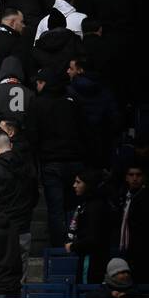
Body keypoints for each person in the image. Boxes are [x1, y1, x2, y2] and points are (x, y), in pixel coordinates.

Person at [32, 66, 87, 252]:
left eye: (39, 83)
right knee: (73, 206)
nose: (37, 86)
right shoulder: (72, 101)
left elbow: (33, 135)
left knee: (55, 209)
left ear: (45, 84)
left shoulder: (38, 103)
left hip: (51, 162)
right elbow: (84, 129)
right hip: (75, 161)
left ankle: (58, 248)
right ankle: (73, 243)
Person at [66, 170, 112, 285]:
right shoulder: (87, 203)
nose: (74, 185)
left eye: (78, 182)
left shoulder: (95, 206)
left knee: (86, 290)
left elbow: (93, 238)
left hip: (92, 258)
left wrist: (73, 245)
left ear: (88, 184)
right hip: (88, 257)